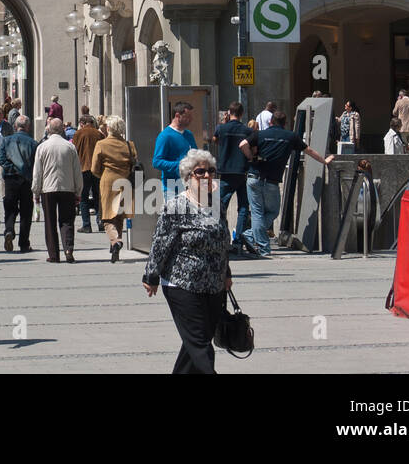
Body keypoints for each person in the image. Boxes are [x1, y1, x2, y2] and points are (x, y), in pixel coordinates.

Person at [142, 148, 232, 374]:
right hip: (182, 284)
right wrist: (151, 276)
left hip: (213, 285)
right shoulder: (175, 207)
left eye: (210, 170)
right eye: (199, 171)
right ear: (187, 177)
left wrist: (227, 274)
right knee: (200, 343)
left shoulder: (216, 204)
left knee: (194, 344)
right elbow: (160, 244)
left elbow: (221, 242)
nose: (206, 176)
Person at [239, 111, 335, 258]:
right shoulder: (291, 137)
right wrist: (324, 161)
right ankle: (263, 247)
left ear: (271, 122)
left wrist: (251, 157)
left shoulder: (260, 134)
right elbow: (309, 150)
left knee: (257, 212)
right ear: (285, 123)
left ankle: (250, 234)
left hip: (254, 177)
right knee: (273, 211)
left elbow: (243, 144)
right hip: (271, 181)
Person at [31, 118, 84, 262]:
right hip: (67, 188)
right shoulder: (69, 147)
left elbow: (37, 172)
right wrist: (78, 191)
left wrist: (35, 191)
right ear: (62, 130)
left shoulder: (42, 147)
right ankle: (68, 249)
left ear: (48, 129)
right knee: (67, 220)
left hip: (48, 188)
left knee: (50, 221)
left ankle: (53, 254)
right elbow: (77, 171)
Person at [90, 115, 135, 262]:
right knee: (119, 216)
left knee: (107, 217)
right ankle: (115, 248)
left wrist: (101, 174)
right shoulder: (129, 145)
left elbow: (94, 168)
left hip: (108, 182)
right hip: (126, 182)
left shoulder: (101, 144)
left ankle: (115, 241)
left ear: (108, 128)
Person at [212, 102, 253, 254]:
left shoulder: (221, 128)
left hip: (225, 172)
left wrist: (224, 123)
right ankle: (238, 241)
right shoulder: (247, 131)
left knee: (220, 206)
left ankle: (220, 238)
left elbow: (215, 140)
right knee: (243, 208)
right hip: (242, 172)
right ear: (242, 114)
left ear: (229, 113)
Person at [0, 115, 38, 253]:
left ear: (15, 126)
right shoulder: (33, 143)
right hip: (26, 180)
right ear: (28, 127)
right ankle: (24, 243)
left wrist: (10, 169)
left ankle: (9, 230)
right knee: (26, 212)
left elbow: (1, 159)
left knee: (10, 208)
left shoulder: (6, 141)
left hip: (10, 179)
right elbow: (35, 164)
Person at [153, 101, 197, 195]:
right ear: (177, 116)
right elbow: (156, 162)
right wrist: (180, 165)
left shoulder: (189, 135)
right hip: (171, 189)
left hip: (189, 187)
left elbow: (196, 155)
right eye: (188, 117)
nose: (191, 119)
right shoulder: (165, 136)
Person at [73, 113, 103, 233]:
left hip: (83, 168)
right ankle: (100, 221)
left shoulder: (78, 134)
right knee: (97, 196)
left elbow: (73, 151)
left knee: (84, 197)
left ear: (81, 123)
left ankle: (86, 225)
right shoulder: (99, 134)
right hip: (97, 169)